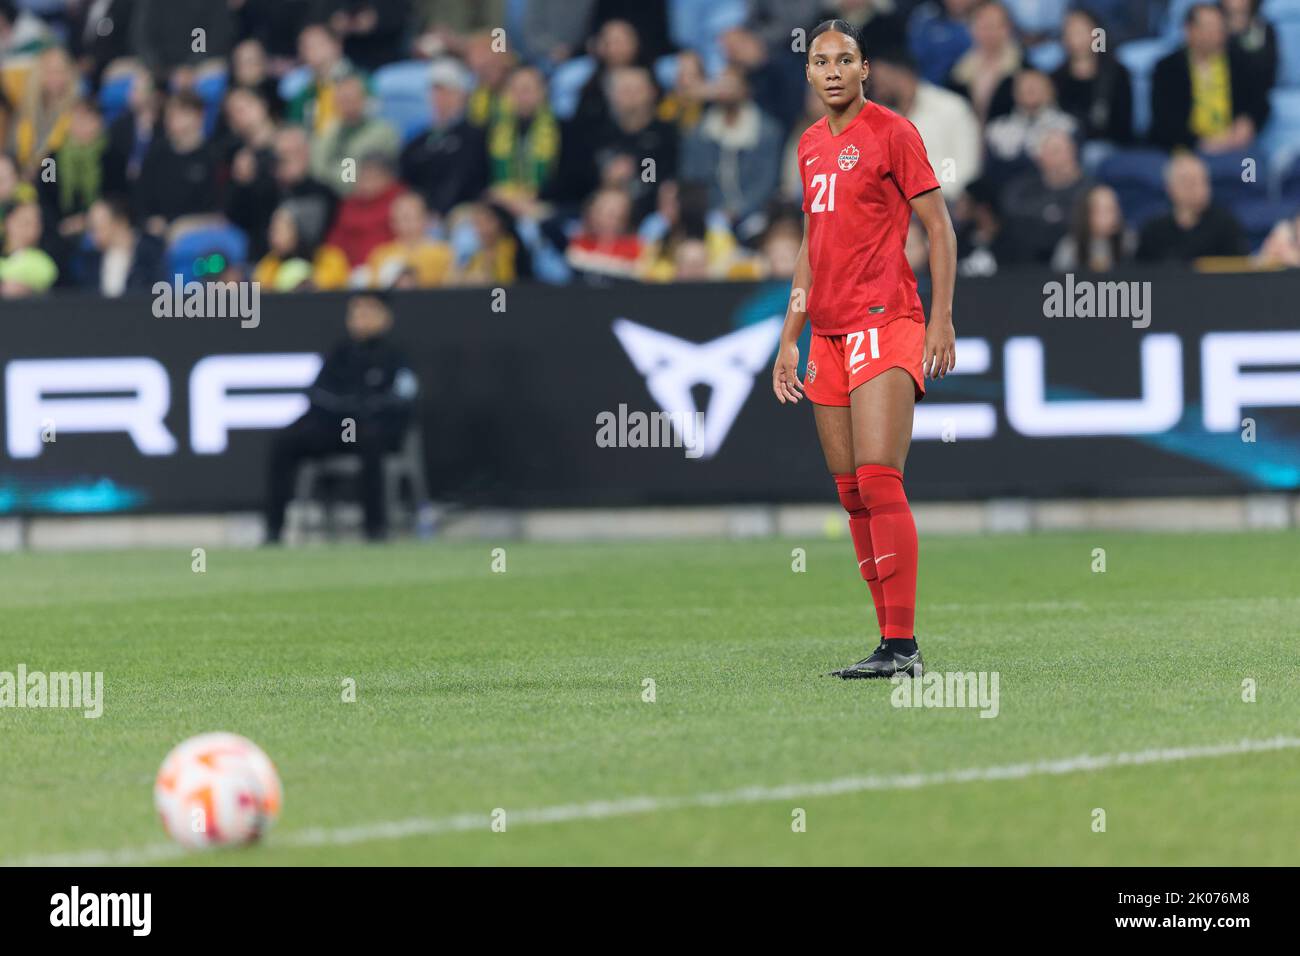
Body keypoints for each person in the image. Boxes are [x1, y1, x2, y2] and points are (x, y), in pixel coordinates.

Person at [771, 19, 956, 679]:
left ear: (865, 69)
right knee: (851, 493)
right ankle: (887, 644)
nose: (832, 71)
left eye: (844, 59)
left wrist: (940, 320)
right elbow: (810, 249)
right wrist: (789, 337)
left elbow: (938, 227)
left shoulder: (893, 133)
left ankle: (904, 646)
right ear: (808, 73)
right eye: (820, 60)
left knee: (880, 478)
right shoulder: (810, 144)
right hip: (827, 332)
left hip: (886, 320)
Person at [264, 293, 418, 544]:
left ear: (385, 318)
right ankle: (273, 531)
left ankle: (375, 531)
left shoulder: (395, 356)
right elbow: (317, 394)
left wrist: (366, 410)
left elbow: (403, 399)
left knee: (371, 441)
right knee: (283, 442)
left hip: (371, 430)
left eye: (368, 312)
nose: (360, 318)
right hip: (335, 429)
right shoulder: (340, 353)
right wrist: (342, 409)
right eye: (355, 312)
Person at [1150, 3, 1270, 153]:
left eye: (1219, 27)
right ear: (1189, 30)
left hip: (1233, 147)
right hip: (1184, 149)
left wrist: (1248, 122)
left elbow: (1259, 103)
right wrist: (1201, 143)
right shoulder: (1167, 68)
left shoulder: (1241, 63)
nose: (1215, 33)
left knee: (1250, 172)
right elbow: (1164, 122)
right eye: (1208, 27)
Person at [1136, 152, 1247, 261]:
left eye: (1202, 181)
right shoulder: (1154, 230)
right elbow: (1140, 272)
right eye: (1189, 182)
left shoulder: (1226, 225)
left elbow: (1239, 269)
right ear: (1170, 188)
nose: (1197, 189)